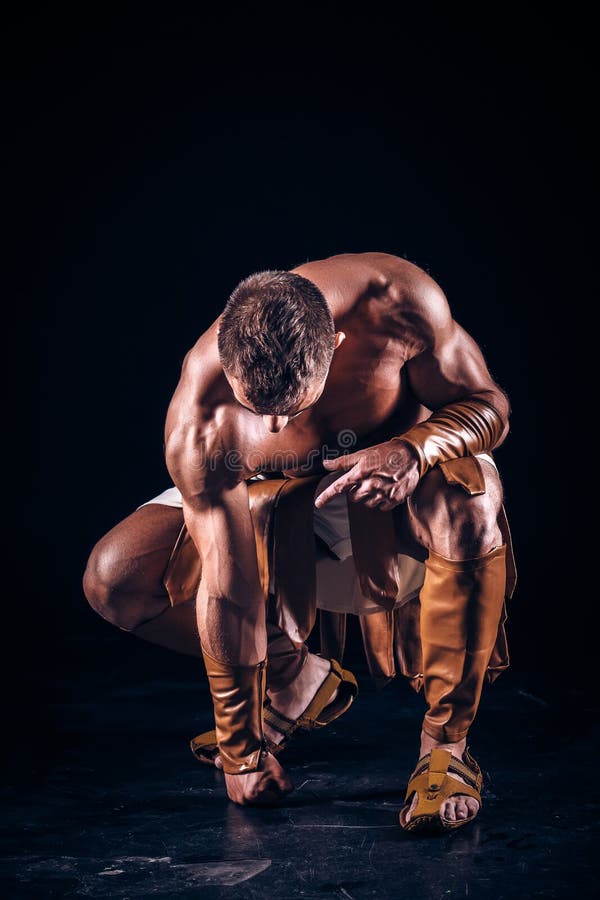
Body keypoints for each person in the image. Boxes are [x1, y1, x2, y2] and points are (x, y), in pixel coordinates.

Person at [83, 251, 516, 832]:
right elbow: (228, 586)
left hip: (397, 489)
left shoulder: (399, 300)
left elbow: (490, 407)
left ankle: (446, 749)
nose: (276, 428)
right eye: (258, 408)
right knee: (114, 577)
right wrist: (241, 751)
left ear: (336, 343)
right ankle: (294, 678)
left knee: (470, 496)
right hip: (272, 508)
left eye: (294, 406)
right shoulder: (201, 416)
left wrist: (415, 449)